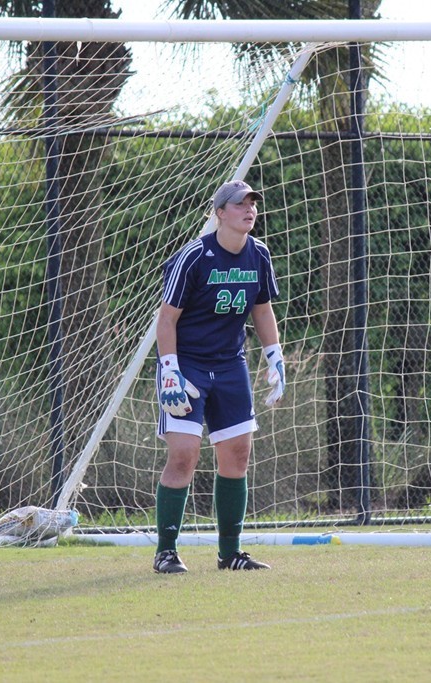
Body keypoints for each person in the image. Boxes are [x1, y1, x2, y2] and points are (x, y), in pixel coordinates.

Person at [152, 179, 286, 574]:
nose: (249, 209)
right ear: (220, 213)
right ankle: (165, 552)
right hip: (187, 365)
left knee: (237, 456)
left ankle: (230, 553)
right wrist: (170, 370)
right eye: (240, 204)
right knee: (183, 455)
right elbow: (166, 319)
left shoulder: (259, 254)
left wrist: (275, 356)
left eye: (253, 203)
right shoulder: (194, 256)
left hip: (230, 366)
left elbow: (262, 309)